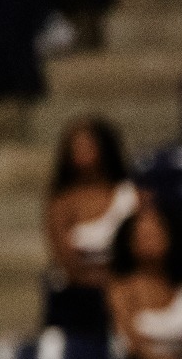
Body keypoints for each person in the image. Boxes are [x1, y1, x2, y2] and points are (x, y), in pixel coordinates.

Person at [42, 115, 134, 335]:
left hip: (130, 294)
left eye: (88, 145)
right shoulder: (60, 204)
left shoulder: (130, 195)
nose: (82, 152)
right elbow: (66, 262)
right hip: (80, 300)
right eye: (76, 146)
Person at [104, 202, 182, 359]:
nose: (149, 240)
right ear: (129, 241)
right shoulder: (120, 290)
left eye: (156, 232)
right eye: (142, 234)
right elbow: (132, 345)